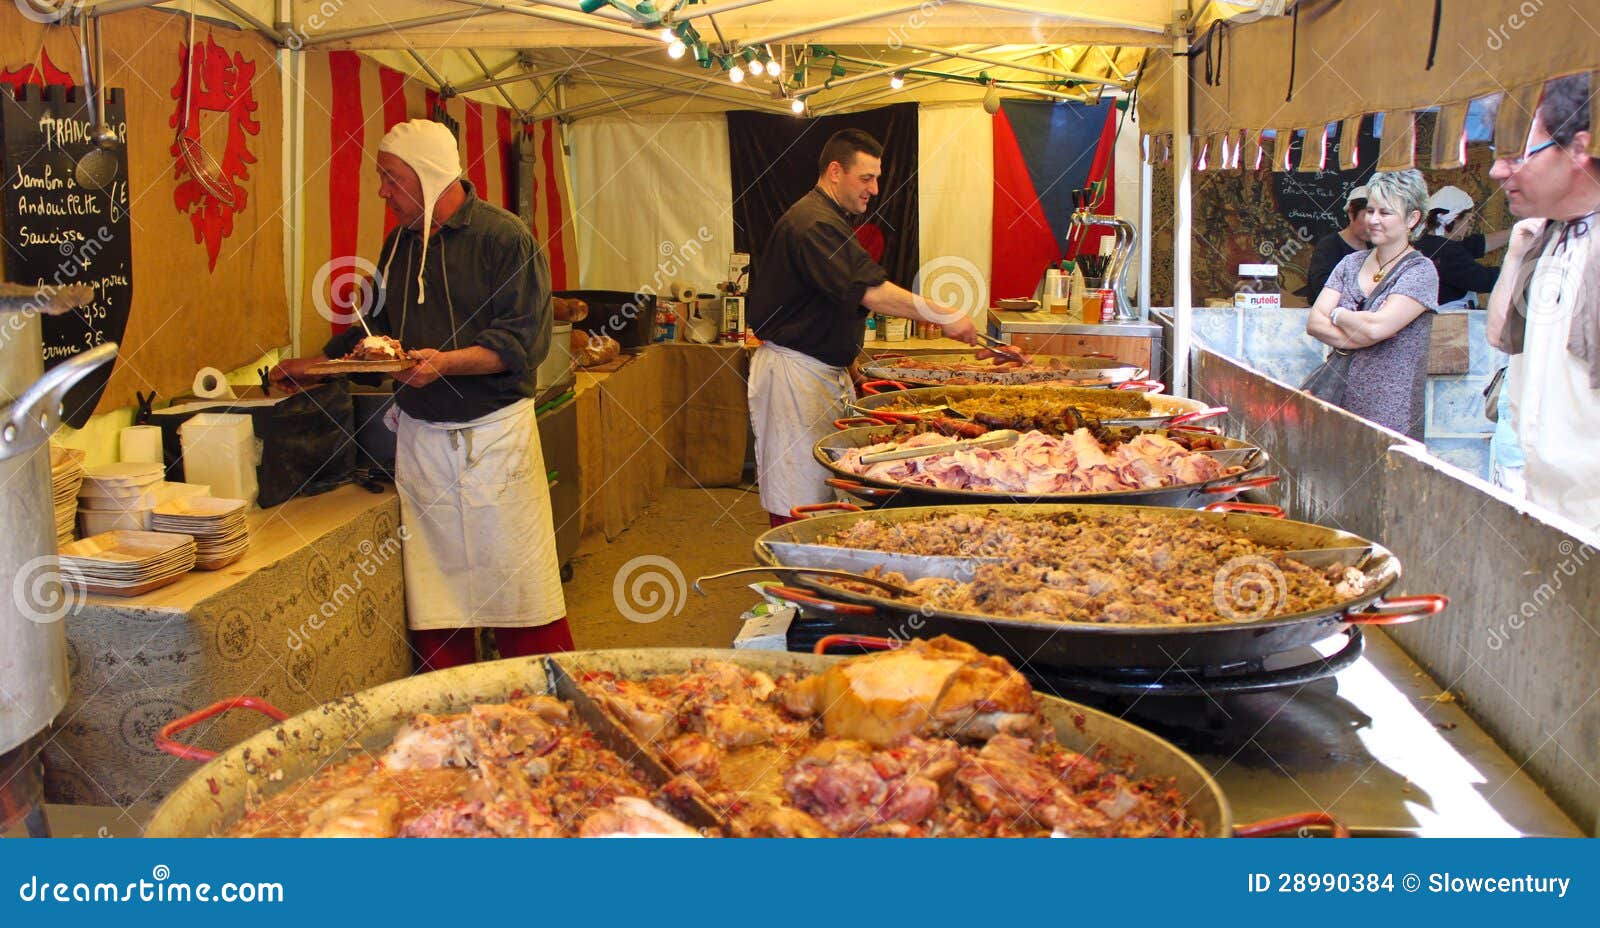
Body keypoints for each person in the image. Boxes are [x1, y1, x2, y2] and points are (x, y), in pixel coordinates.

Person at [270, 119, 572, 670]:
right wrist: (317, 367)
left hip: (495, 438)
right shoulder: (400, 245)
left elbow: (523, 343)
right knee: (439, 590)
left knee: (517, 582)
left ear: (429, 175)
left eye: (391, 178)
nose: (381, 191)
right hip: (423, 443)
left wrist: (445, 364)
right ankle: (447, 697)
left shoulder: (505, 240)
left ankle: (546, 690)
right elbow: (377, 329)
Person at [746, 129, 978, 527]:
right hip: (795, 375)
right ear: (836, 172)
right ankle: (791, 559)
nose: (874, 189)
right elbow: (870, 292)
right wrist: (943, 314)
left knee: (821, 483)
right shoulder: (813, 223)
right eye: (866, 178)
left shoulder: (828, 219)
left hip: (816, 371)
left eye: (877, 178)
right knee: (798, 487)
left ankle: (818, 556)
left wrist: (851, 365)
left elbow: (824, 302)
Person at [1486, 74, 1600, 531]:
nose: (1497, 171)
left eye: (1517, 155)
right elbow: (1502, 338)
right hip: (1548, 513)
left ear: (1578, 148)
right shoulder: (1545, 238)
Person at [1304, 169, 1440, 440]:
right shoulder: (1350, 263)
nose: (1373, 220)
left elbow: (1376, 329)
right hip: (1338, 404)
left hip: (1391, 413)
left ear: (1412, 219)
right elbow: (1314, 323)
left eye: (1385, 213)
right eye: (1370, 210)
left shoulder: (1419, 271)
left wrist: (1338, 314)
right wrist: (1363, 331)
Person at [1415, 185, 1511, 309]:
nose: (1468, 227)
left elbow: (1478, 244)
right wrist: (1523, 272)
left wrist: (1515, 232)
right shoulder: (1446, 251)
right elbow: (1483, 280)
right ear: (1454, 218)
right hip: (1448, 318)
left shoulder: (1425, 242)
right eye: (1468, 220)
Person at [1299, 185, 1369, 300]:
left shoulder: (1376, 248)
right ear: (1351, 213)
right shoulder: (1329, 246)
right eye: (1366, 216)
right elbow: (1320, 288)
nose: (1372, 223)